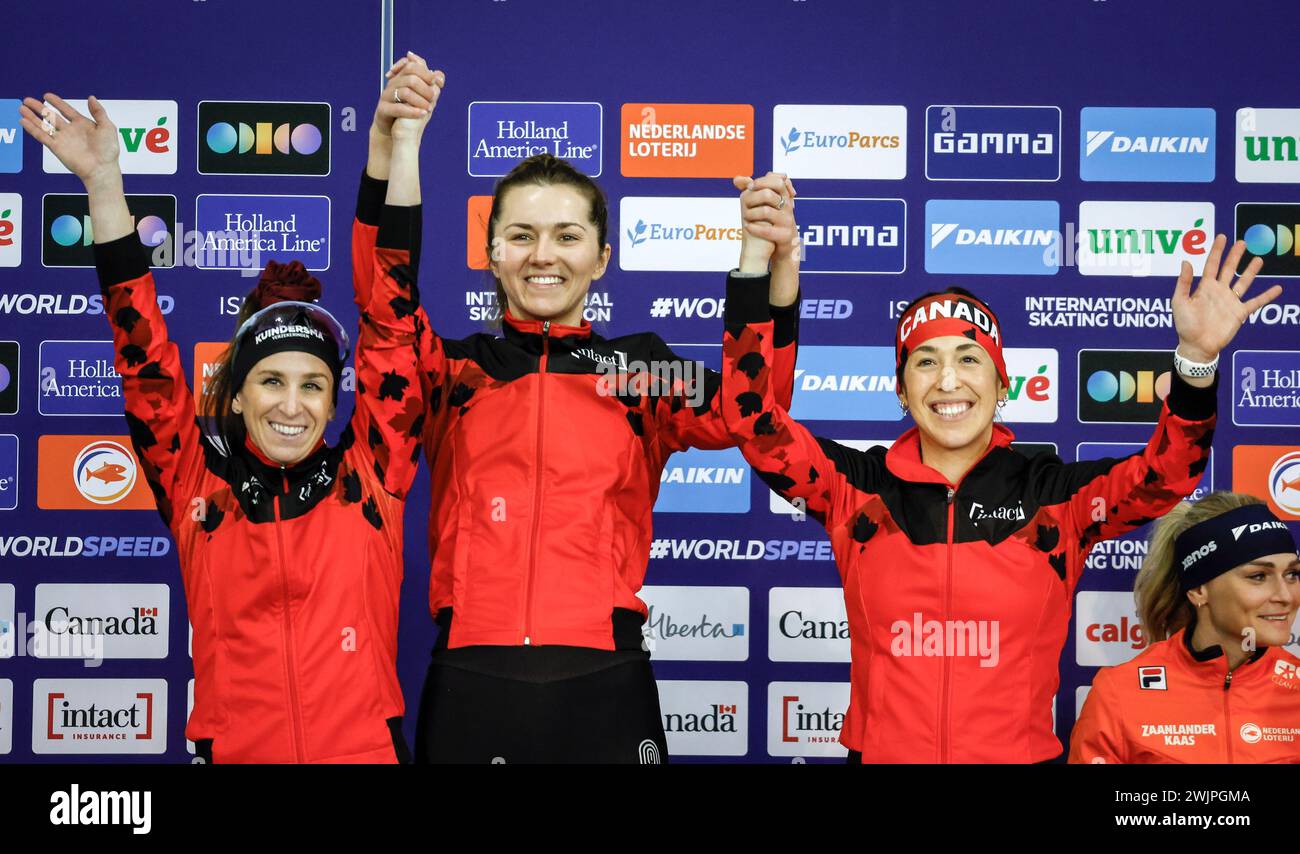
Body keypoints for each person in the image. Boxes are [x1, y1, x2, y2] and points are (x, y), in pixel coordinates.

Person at [364, 55, 803, 763]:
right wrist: (396, 147)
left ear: (602, 257)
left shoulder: (641, 370)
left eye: (568, 236)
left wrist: (765, 265)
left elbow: (755, 415)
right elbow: (386, 310)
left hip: (606, 678)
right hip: (473, 676)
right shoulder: (451, 371)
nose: (545, 256)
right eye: (522, 236)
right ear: (492, 252)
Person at [720, 232, 1283, 763]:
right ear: (901, 388)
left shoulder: (1052, 496)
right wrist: (756, 273)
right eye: (925, 361)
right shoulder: (856, 487)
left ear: (1002, 382)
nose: (947, 382)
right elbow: (753, 425)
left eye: (969, 358)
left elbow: (1166, 474)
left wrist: (1197, 361)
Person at [18, 81, 431, 762]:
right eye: (270, 381)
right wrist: (103, 184)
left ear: (337, 401)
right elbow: (143, 355)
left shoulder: (374, 476)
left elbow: (392, 321)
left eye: (313, 385)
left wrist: (396, 147)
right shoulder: (192, 483)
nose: (292, 405)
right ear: (235, 394)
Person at [1069, 492, 1300, 763]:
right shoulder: (1119, 693)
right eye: (1258, 576)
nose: (1285, 595)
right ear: (1199, 590)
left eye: (1292, 574)